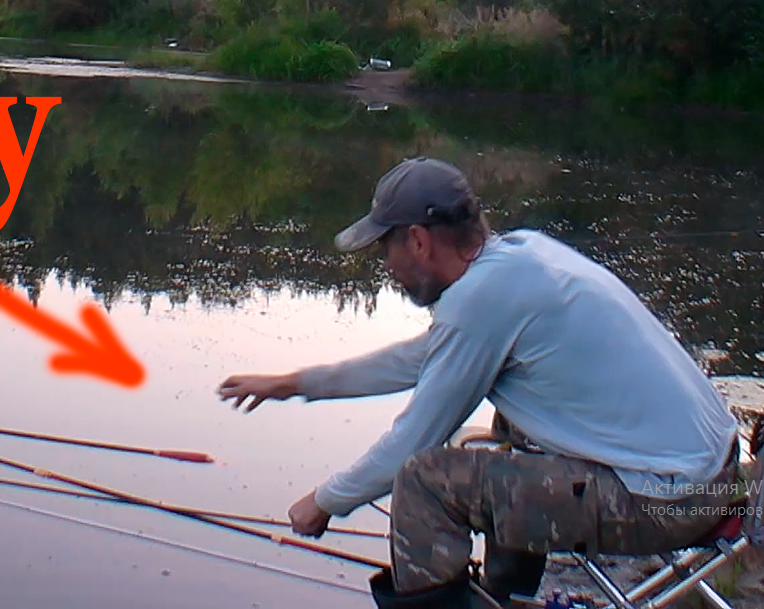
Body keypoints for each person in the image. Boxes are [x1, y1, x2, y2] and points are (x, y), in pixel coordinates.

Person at [217, 157, 742, 608]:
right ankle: (503, 596)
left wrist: (326, 501)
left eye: (385, 249)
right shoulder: (520, 256)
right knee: (499, 440)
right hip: (710, 470)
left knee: (425, 482)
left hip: (669, 500)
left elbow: (412, 442)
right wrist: (294, 383)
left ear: (418, 241)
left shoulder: (479, 301)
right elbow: (420, 358)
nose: (387, 266)